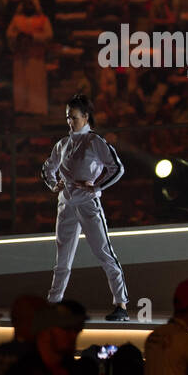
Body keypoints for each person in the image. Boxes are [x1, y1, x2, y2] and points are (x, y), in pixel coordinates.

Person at [41, 94, 129, 320]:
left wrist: (96, 187)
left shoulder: (95, 142)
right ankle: (53, 303)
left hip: (89, 204)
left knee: (104, 252)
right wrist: (54, 185)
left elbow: (117, 168)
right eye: (68, 117)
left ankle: (121, 304)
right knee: (62, 258)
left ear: (86, 117)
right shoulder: (62, 144)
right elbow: (47, 169)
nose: (70, 121)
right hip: (66, 205)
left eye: (74, 117)